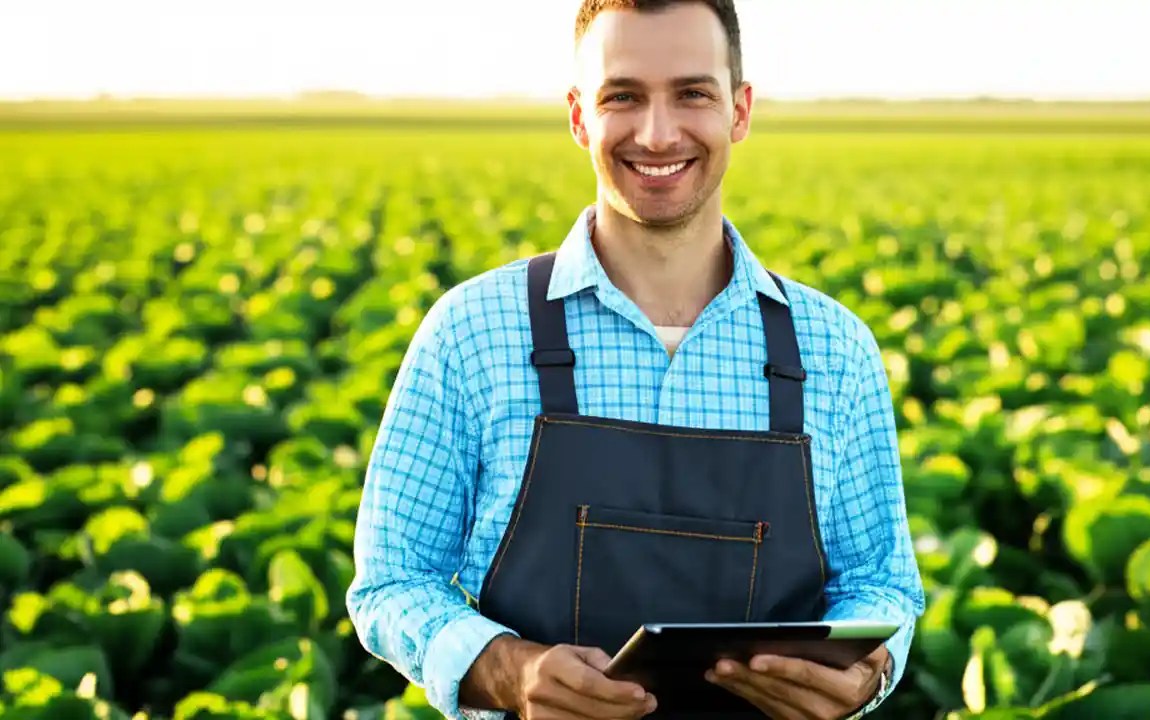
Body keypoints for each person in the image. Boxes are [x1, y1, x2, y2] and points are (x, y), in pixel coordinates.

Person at [346, 1, 925, 718]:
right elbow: (393, 582)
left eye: (692, 94)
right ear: (579, 116)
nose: (657, 133)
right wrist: (504, 670)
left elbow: (882, 581)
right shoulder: (471, 333)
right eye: (623, 96)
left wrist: (867, 673)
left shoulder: (834, 349)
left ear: (739, 112)